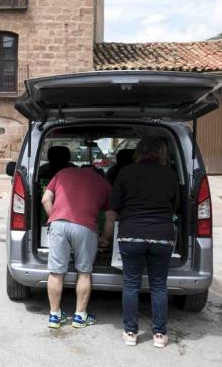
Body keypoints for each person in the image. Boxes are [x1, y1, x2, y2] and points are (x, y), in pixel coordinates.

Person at [105, 136, 180, 348]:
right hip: (162, 235)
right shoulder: (170, 174)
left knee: (130, 283)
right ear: (162, 152)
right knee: (158, 285)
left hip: (131, 234)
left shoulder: (126, 172)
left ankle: (130, 332)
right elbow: (176, 205)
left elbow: (114, 204)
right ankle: (159, 335)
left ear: (139, 151)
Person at [42, 163, 114, 329]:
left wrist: (55, 218)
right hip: (85, 227)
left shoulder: (62, 173)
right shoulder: (103, 183)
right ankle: (80, 317)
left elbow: (45, 199)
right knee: (84, 272)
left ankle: (54, 316)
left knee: (56, 272)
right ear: (97, 171)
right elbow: (110, 218)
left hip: (58, 224)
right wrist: (104, 238)